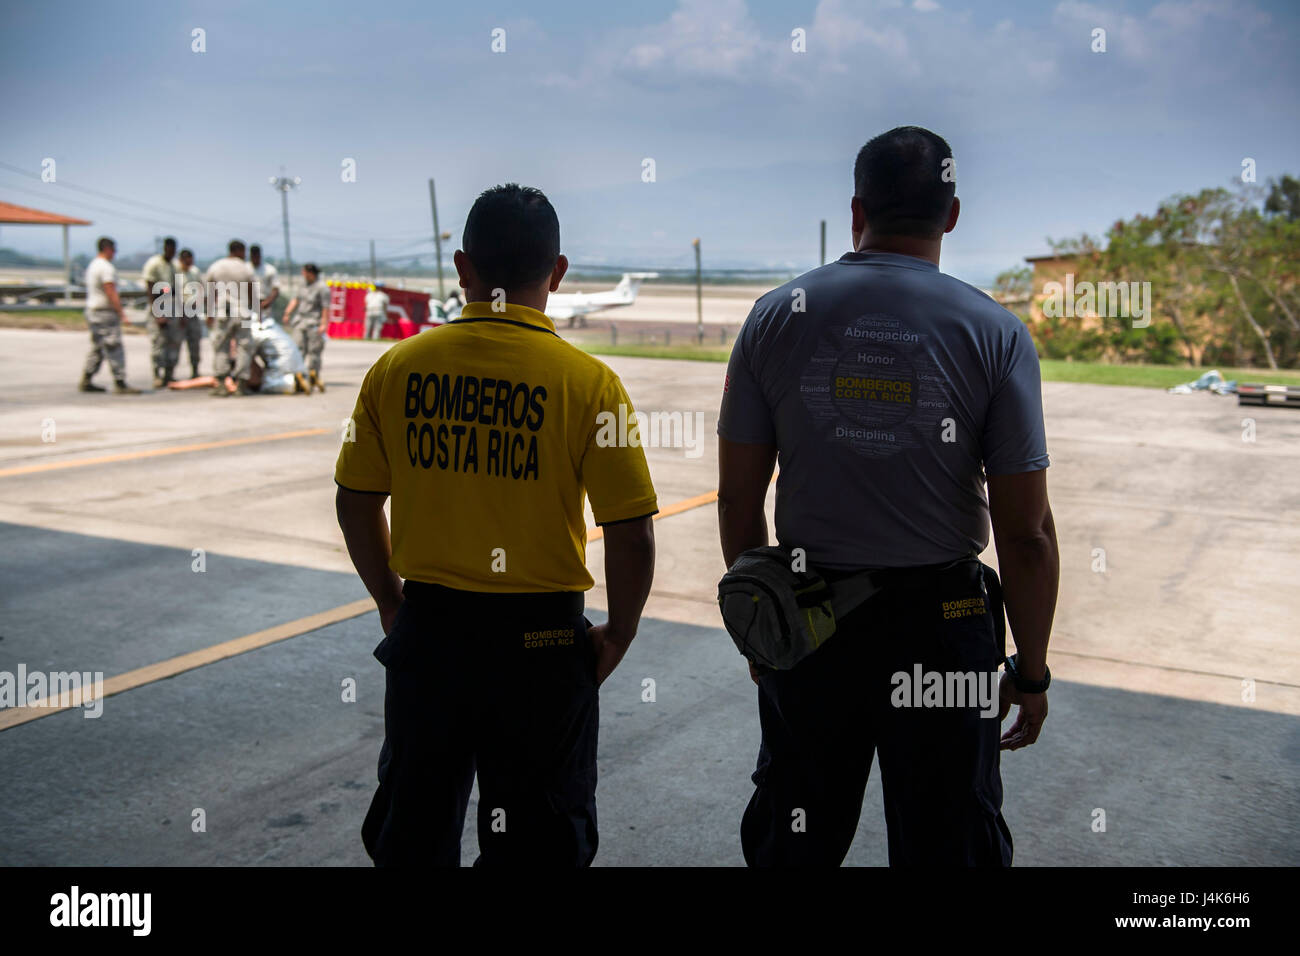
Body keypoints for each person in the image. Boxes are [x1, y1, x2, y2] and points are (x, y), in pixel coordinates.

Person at [717, 126, 1059, 867]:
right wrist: (1030, 669)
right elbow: (1026, 535)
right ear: (954, 214)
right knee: (948, 839)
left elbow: (737, 503)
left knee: (794, 835)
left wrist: (763, 627)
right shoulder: (995, 332)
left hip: (811, 621)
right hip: (942, 627)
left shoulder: (776, 316)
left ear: (855, 210)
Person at [335, 183, 658, 867]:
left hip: (431, 638)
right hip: (541, 647)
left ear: (462, 268)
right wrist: (620, 631)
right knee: (541, 843)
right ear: (558, 271)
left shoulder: (397, 368)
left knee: (414, 831)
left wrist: (394, 604)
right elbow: (631, 532)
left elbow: (355, 500)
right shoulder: (589, 382)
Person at [79, 236, 140, 394]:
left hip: (93, 311)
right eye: (113, 249)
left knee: (98, 347)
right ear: (107, 249)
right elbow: (110, 291)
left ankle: (87, 378)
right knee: (114, 346)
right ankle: (120, 382)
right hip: (105, 312)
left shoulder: (93, 265)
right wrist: (122, 313)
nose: (115, 253)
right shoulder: (106, 267)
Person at [204, 239, 258, 396]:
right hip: (243, 314)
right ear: (239, 251)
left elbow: (210, 292)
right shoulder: (246, 268)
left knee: (221, 346)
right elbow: (252, 293)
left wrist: (209, 314)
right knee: (244, 346)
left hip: (223, 313)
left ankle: (221, 385)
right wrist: (257, 313)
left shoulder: (216, 266)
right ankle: (241, 385)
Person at [282, 263, 330, 392]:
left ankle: (313, 375)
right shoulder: (302, 285)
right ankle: (299, 376)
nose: (303, 275)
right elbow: (295, 300)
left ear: (311, 273)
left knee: (314, 351)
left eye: (305, 273)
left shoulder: (322, 288)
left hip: (314, 322)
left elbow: (326, 307)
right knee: (298, 349)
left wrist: (324, 324)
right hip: (300, 321)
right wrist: (287, 313)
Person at [142, 236, 182, 387]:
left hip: (171, 304)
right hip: (158, 303)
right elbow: (150, 289)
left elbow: (177, 290)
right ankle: (157, 374)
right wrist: (157, 313)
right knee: (158, 343)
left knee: (173, 342)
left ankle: (169, 374)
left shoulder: (174, 266)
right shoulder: (154, 264)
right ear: (165, 249)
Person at [176, 248, 204, 379]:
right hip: (177, 312)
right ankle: (168, 372)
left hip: (192, 311)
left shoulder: (195, 272)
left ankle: (195, 370)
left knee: (195, 343)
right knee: (174, 343)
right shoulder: (175, 272)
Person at [248, 244, 280, 322]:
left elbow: (276, 289)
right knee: (246, 327)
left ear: (260, 255)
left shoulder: (269, 270)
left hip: (264, 304)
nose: (255, 258)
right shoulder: (245, 269)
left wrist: (268, 302)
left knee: (265, 328)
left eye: (257, 255)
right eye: (253, 256)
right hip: (248, 304)